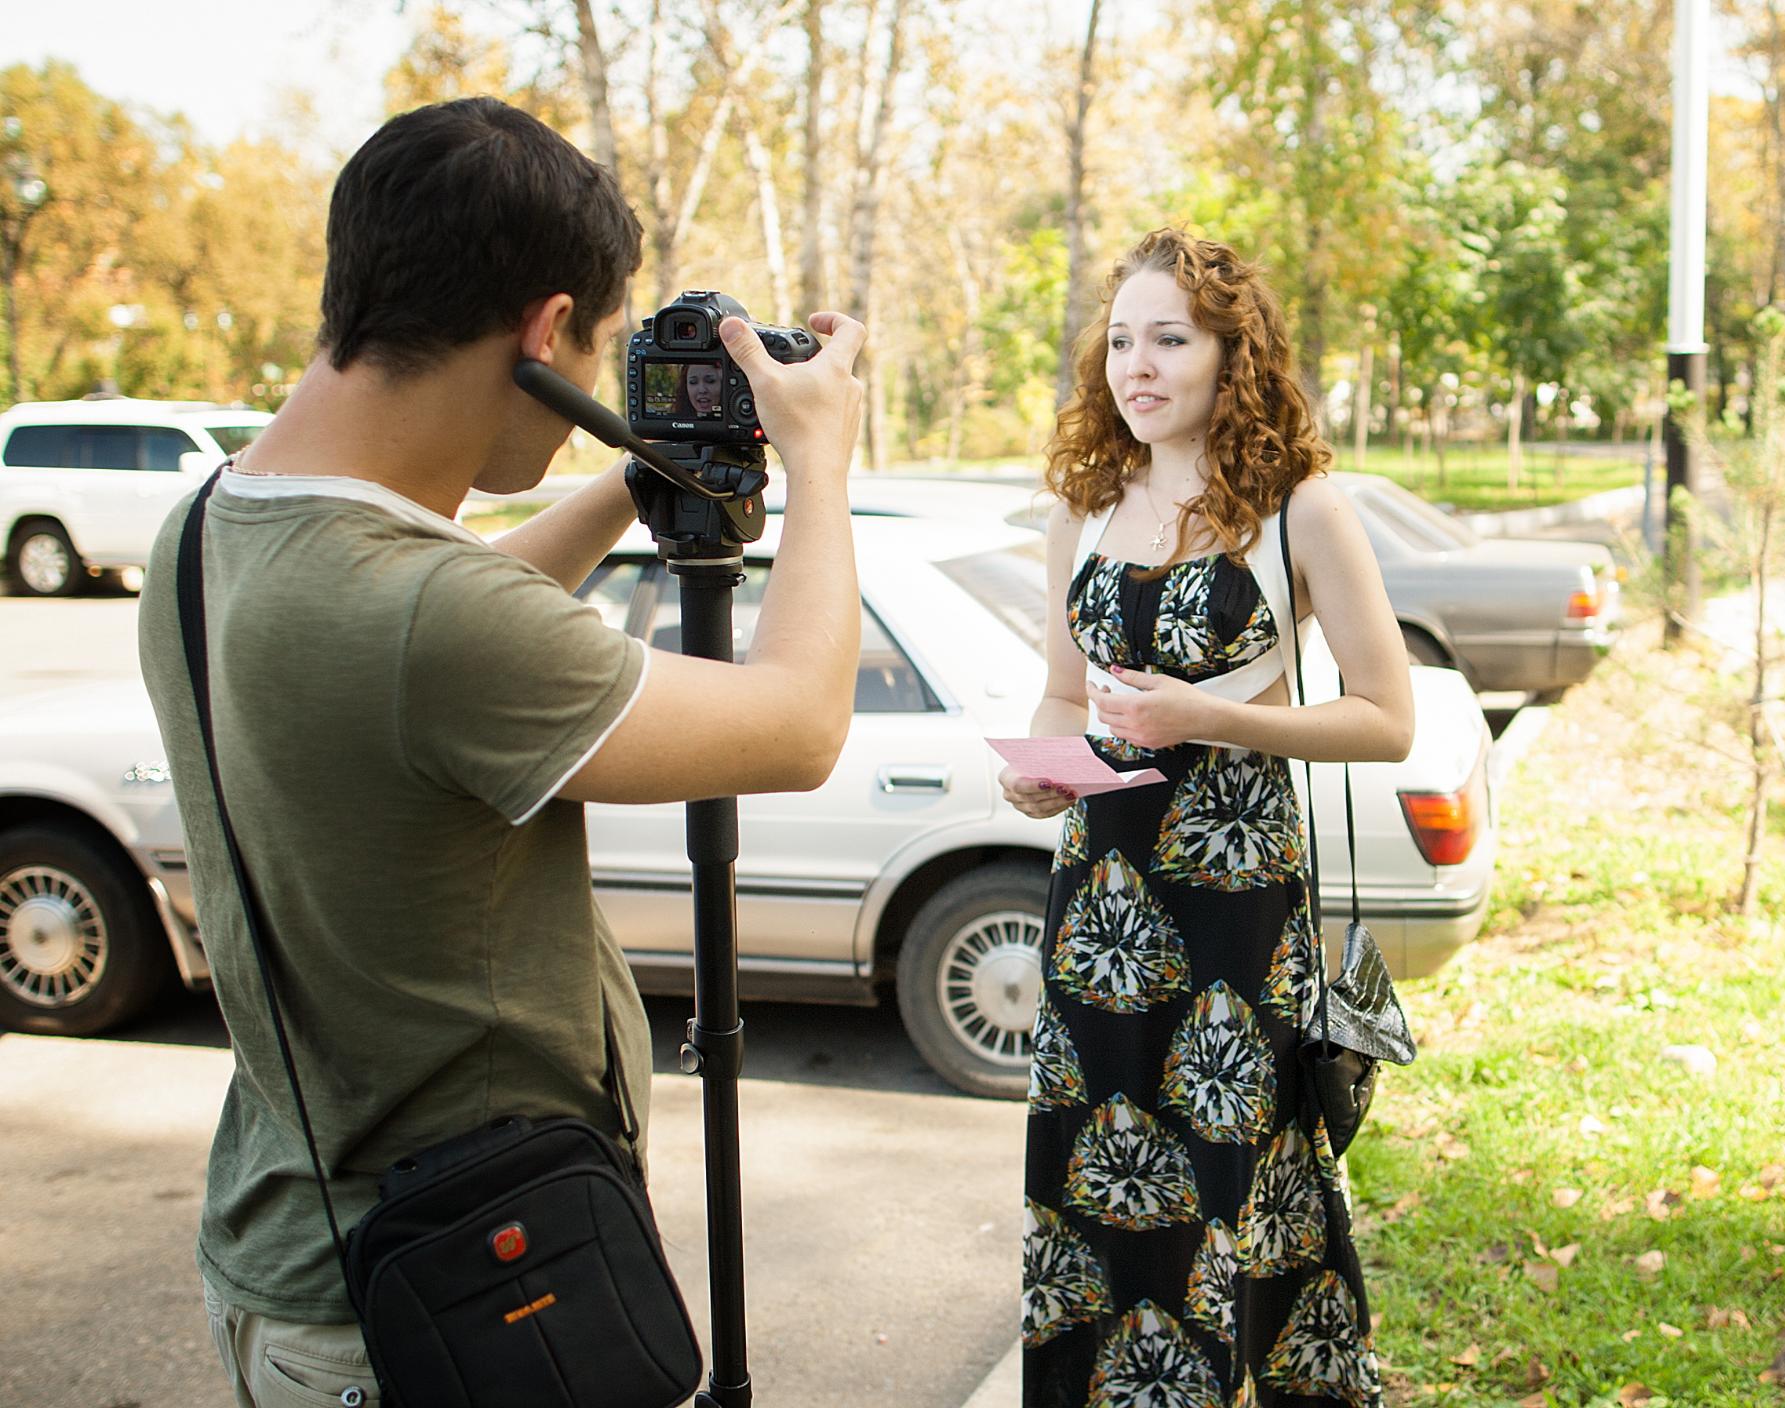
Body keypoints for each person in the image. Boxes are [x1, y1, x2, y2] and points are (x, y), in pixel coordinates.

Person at [135, 97, 865, 1408]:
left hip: (289, 1254)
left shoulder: (212, 525)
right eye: (597, 351)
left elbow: (421, 629)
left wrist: (621, 486)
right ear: (543, 332)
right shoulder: (426, 621)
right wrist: (822, 464)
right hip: (451, 1308)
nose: (595, 394)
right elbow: (799, 723)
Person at [1006, 228, 1414, 1407]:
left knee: (1231, 1187)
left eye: (1170, 339)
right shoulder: (1078, 510)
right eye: (1121, 340)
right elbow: (1062, 695)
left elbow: (1386, 718)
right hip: (1098, 909)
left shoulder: (1302, 508)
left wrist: (1211, 719)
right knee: (1095, 1183)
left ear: (1234, 355)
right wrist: (1039, 769)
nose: (1137, 365)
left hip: (1235, 906)